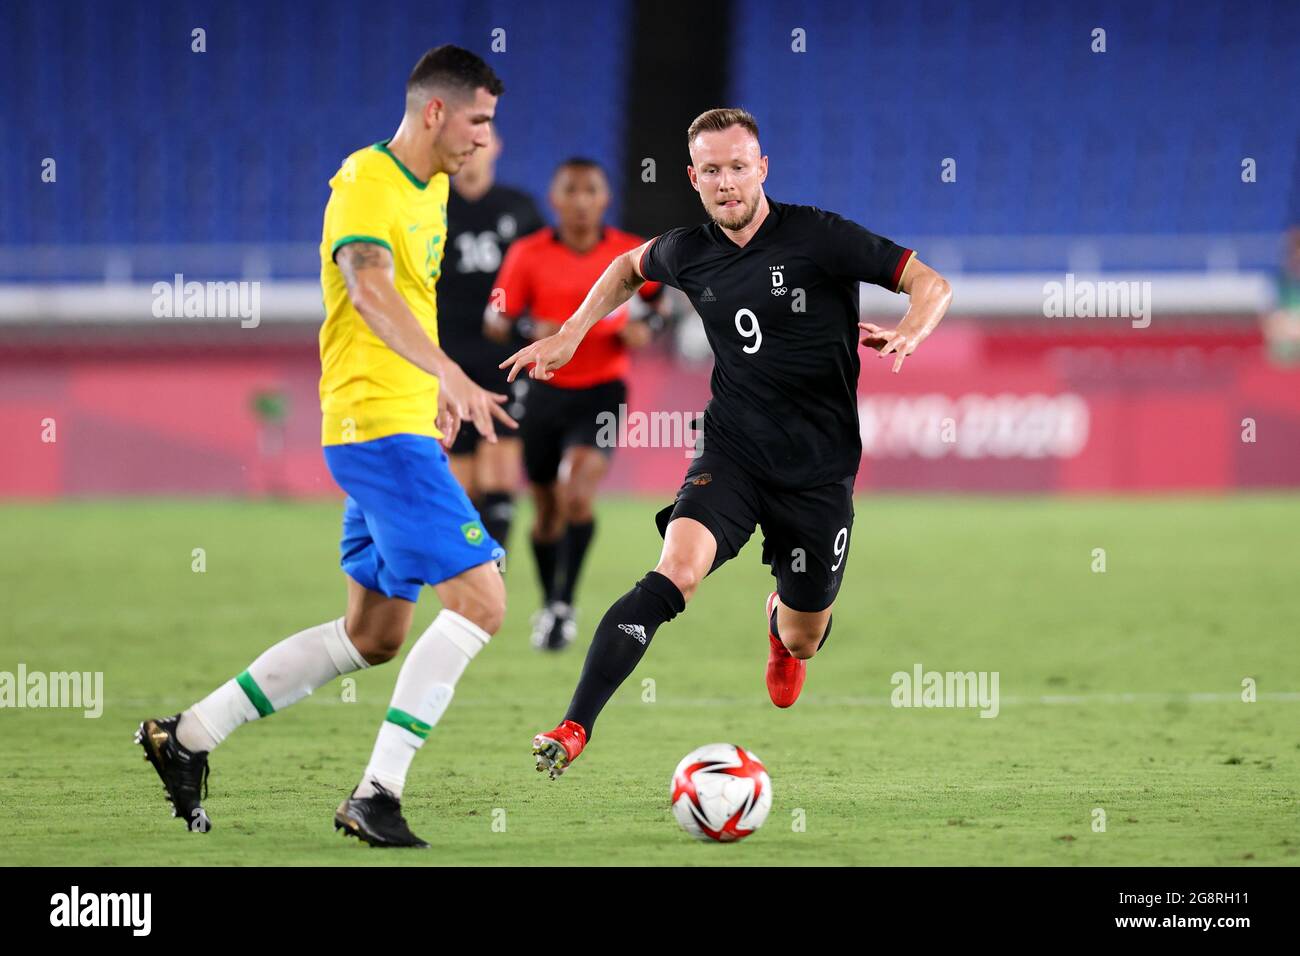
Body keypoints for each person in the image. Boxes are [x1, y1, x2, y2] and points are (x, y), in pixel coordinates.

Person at [136, 45, 515, 847]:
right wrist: (447, 373)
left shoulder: (435, 186)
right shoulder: (365, 183)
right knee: (482, 602)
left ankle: (190, 735)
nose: (484, 138)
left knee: (373, 634)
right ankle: (377, 793)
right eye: (479, 120)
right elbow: (370, 289)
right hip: (374, 428)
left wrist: (431, 394)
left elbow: (411, 297)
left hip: (398, 422)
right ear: (436, 111)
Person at [501, 108, 953, 778]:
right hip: (732, 453)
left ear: (762, 168)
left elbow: (930, 282)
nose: (727, 181)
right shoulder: (688, 250)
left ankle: (780, 628)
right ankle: (574, 725)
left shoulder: (821, 237)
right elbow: (628, 268)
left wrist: (913, 326)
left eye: (739, 166)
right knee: (673, 574)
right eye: (711, 170)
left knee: (805, 635)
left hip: (818, 472)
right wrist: (571, 331)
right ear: (693, 177)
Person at [490, 158, 663, 650]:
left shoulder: (628, 253)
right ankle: (551, 605)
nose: (583, 200)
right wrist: (532, 329)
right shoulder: (528, 254)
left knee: (576, 495)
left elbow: (661, 309)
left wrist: (644, 329)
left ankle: (566, 602)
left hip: (603, 393)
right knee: (545, 513)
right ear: (556, 198)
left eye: (592, 190)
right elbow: (496, 319)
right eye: (572, 190)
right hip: (542, 393)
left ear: (605, 198)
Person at [441, 128, 545, 552]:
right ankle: (467, 570)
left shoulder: (518, 209)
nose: (470, 151)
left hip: (506, 355)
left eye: (481, 142)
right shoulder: (429, 206)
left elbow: (543, 270)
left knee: (500, 475)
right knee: (461, 483)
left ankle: (492, 570)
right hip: (447, 357)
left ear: (496, 148)